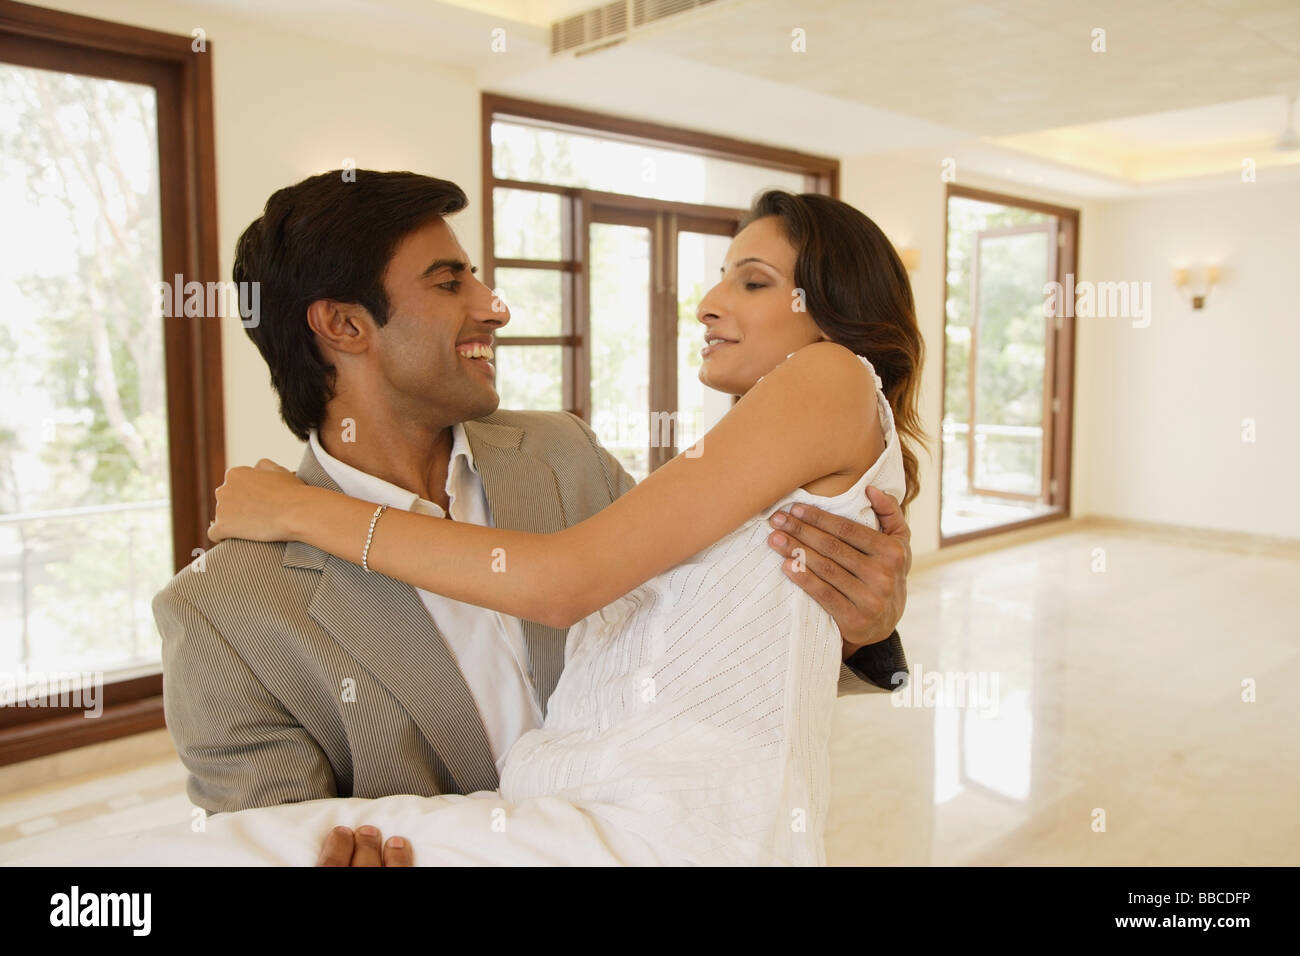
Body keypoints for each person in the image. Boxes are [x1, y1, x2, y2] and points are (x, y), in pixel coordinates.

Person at [180, 186, 925, 866]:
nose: (495, 306)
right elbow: (272, 839)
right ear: (344, 324)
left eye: (753, 279)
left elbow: (674, 617)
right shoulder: (224, 610)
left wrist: (862, 629)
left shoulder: (564, 454)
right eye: (449, 282)